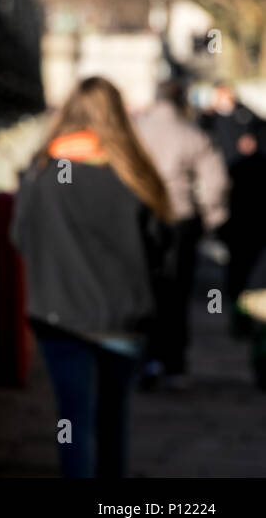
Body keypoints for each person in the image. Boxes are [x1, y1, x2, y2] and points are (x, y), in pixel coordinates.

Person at [12, 76, 173, 478]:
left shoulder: (42, 172)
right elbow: (160, 245)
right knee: (113, 417)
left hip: (60, 317)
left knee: (73, 420)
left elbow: (20, 238)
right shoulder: (135, 173)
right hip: (124, 317)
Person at [133, 80, 229, 386]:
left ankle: (146, 359)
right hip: (181, 219)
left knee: (145, 287)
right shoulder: (193, 135)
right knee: (177, 292)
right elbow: (215, 182)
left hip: (142, 217)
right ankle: (173, 363)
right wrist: (211, 218)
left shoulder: (135, 133)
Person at [198, 81, 266, 337]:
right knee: (237, 264)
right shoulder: (211, 120)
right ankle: (238, 314)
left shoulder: (246, 118)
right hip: (233, 202)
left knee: (249, 267)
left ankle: (245, 317)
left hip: (250, 205)